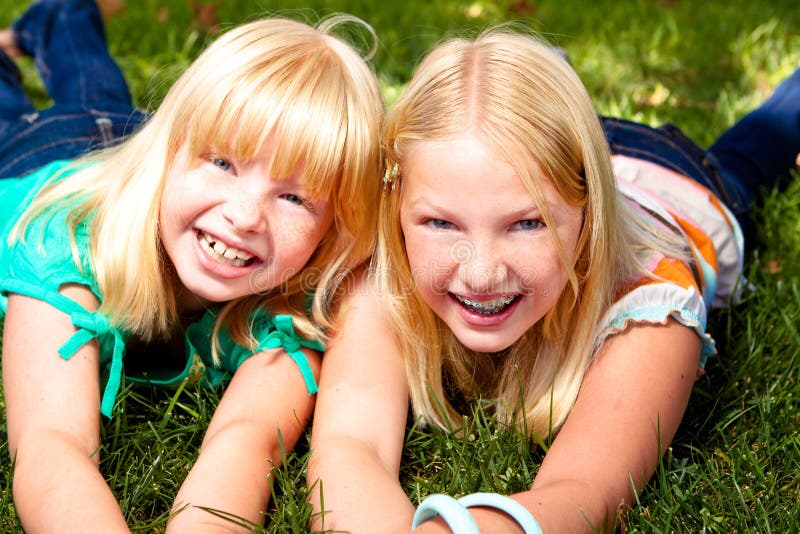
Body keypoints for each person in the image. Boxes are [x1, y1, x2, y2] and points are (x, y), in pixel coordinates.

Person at [307, 28, 800, 533]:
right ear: (397, 204)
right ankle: (549, 77)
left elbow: (582, 495)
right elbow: (348, 449)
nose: (481, 273)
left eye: (527, 224)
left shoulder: (648, 307)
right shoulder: (384, 272)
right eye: (441, 223)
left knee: (762, 142)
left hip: (678, 179)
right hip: (551, 158)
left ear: (588, 217)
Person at [0, 1, 382, 532]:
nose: (246, 215)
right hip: (34, 158)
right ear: (170, 146)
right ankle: (59, 15)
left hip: (126, 145)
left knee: (96, 93)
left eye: (295, 198)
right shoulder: (62, 243)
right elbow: (49, 445)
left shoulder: (293, 313)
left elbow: (245, 446)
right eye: (224, 162)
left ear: (333, 231)